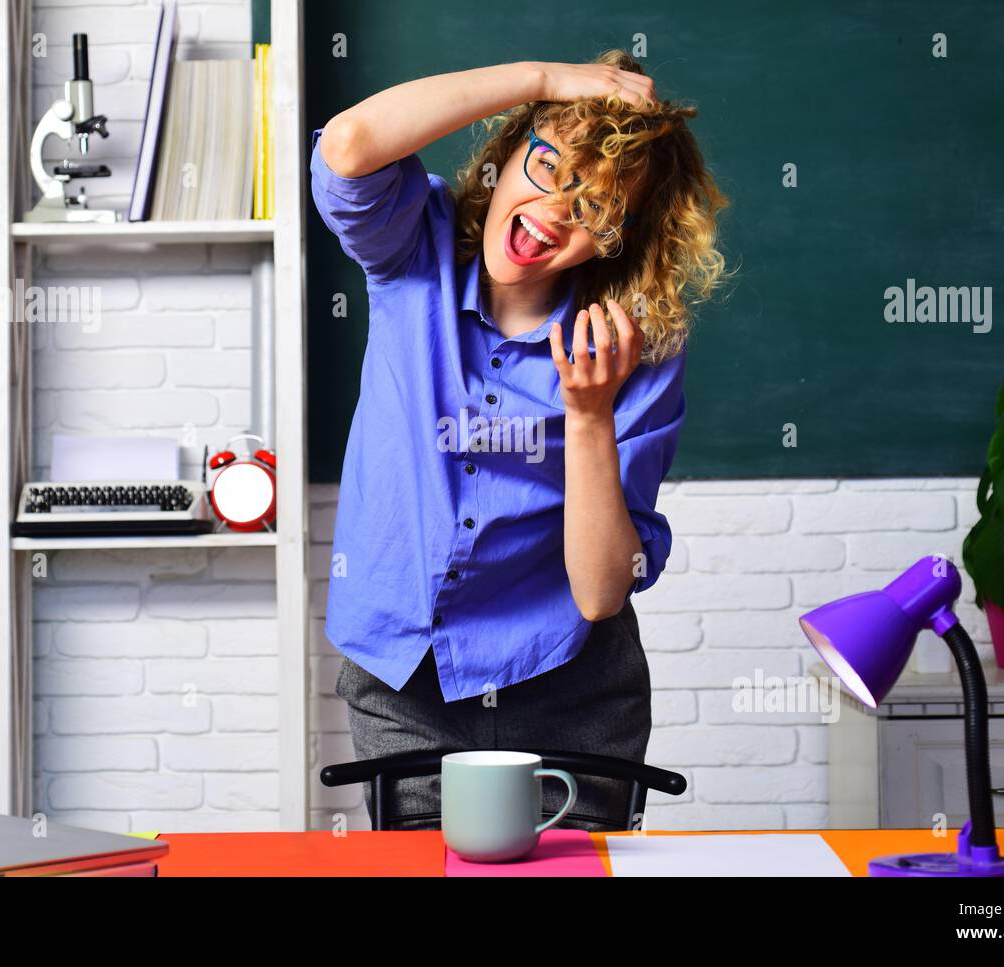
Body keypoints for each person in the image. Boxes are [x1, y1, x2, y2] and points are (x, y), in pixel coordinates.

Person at [310, 49, 730, 830]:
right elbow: (347, 145)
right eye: (546, 166)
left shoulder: (634, 351)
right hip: (409, 684)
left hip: (570, 691)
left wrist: (589, 414)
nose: (556, 210)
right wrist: (544, 81)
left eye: (596, 207)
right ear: (504, 158)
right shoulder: (413, 244)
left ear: (616, 240)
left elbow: (602, 590)